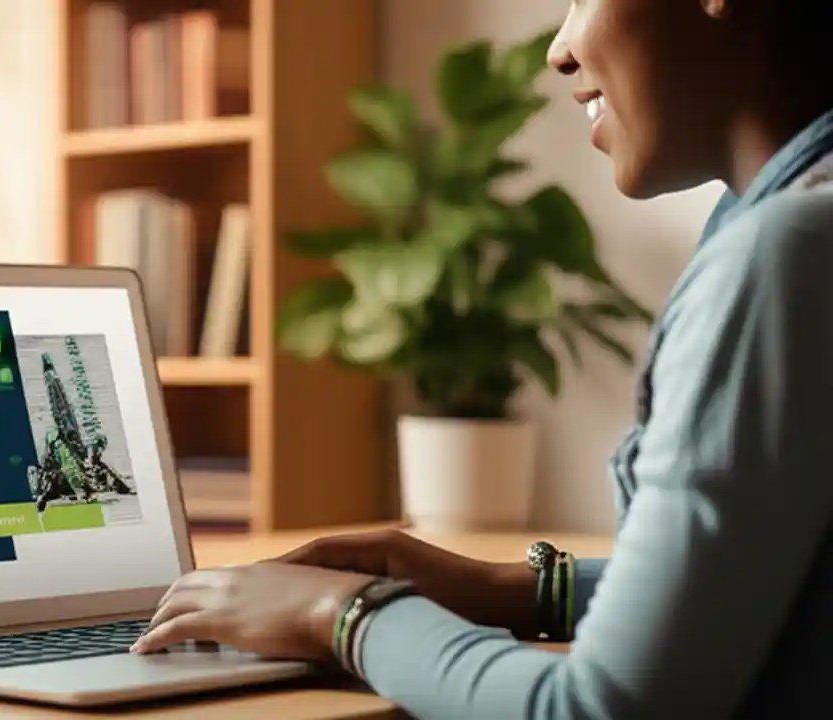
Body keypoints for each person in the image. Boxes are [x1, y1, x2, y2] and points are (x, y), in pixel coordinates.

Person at [130, 1, 833, 716]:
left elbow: (594, 710)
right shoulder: (785, 224)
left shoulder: (786, 254)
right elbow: (765, 587)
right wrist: (510, 592)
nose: (560, 49)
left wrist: (344, 616)